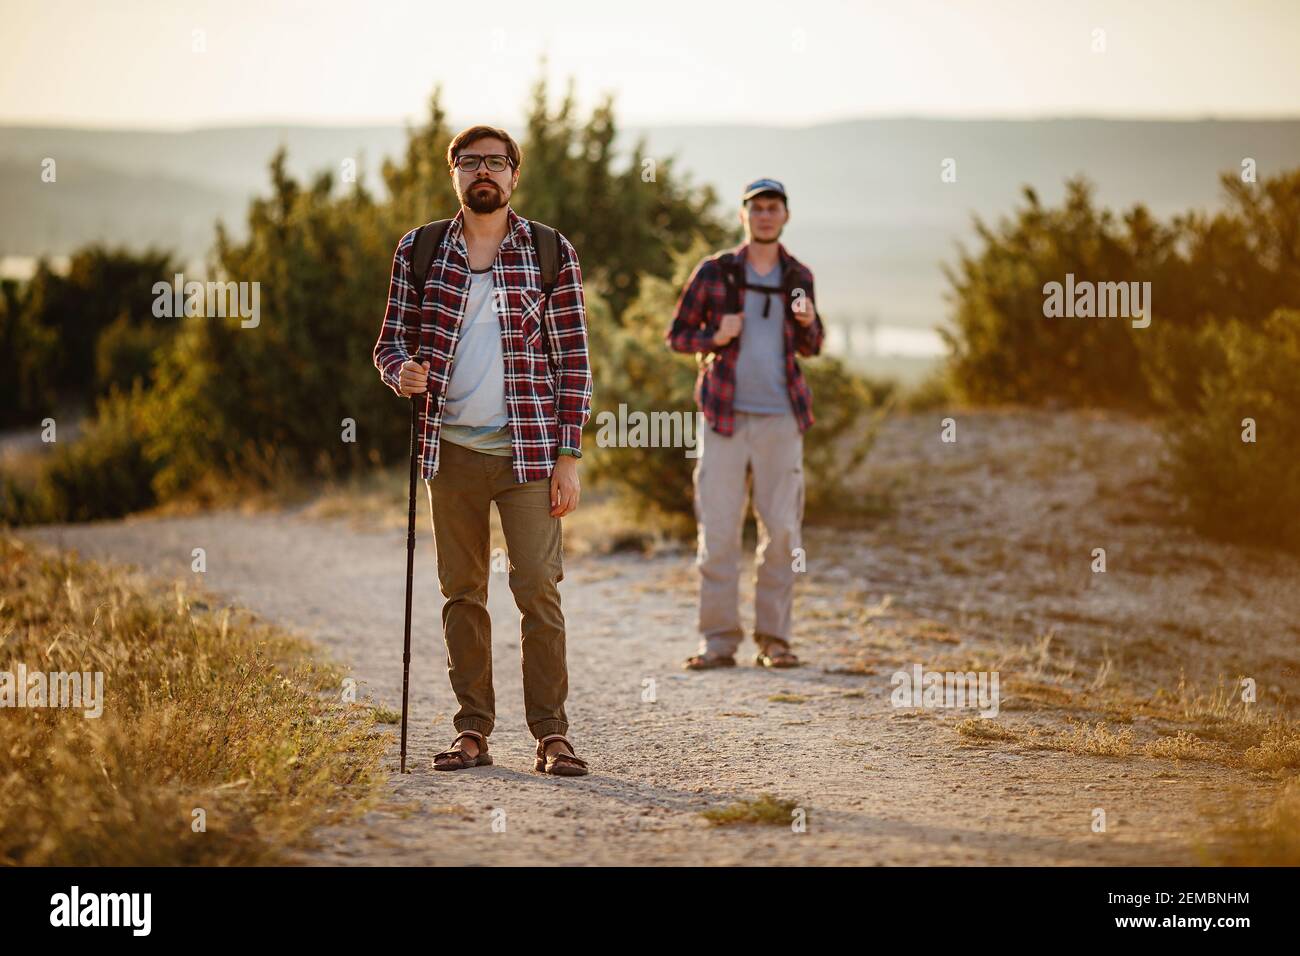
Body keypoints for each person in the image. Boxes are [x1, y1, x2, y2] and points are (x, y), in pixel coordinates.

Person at [372, 125, 593, 776]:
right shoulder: (420, 250)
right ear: (455, 174)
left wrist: (569, 456)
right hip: (451, 452)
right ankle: (472, 732)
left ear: (515, 175)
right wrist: (401, 372)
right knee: (462, 595)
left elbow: (574, 362)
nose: (483, 172)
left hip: (529, 455)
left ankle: (552, 737)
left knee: (538, 593)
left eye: (496, 162)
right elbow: (389, 343)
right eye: (471, 163)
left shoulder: (550, 252)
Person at [666, 178, 824, 671]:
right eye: (756, 208)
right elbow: (677, 336)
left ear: (785, 216)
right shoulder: (716, 271)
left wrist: (806, 321)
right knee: (718, 532)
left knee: (781, 532)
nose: (765, 215)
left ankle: (775, 641)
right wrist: (716, 334)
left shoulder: (798, 275)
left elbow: (814, 345)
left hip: (782, 419)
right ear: (744, 216)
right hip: (724, 418)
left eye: (773, 207)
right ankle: (718, 642)